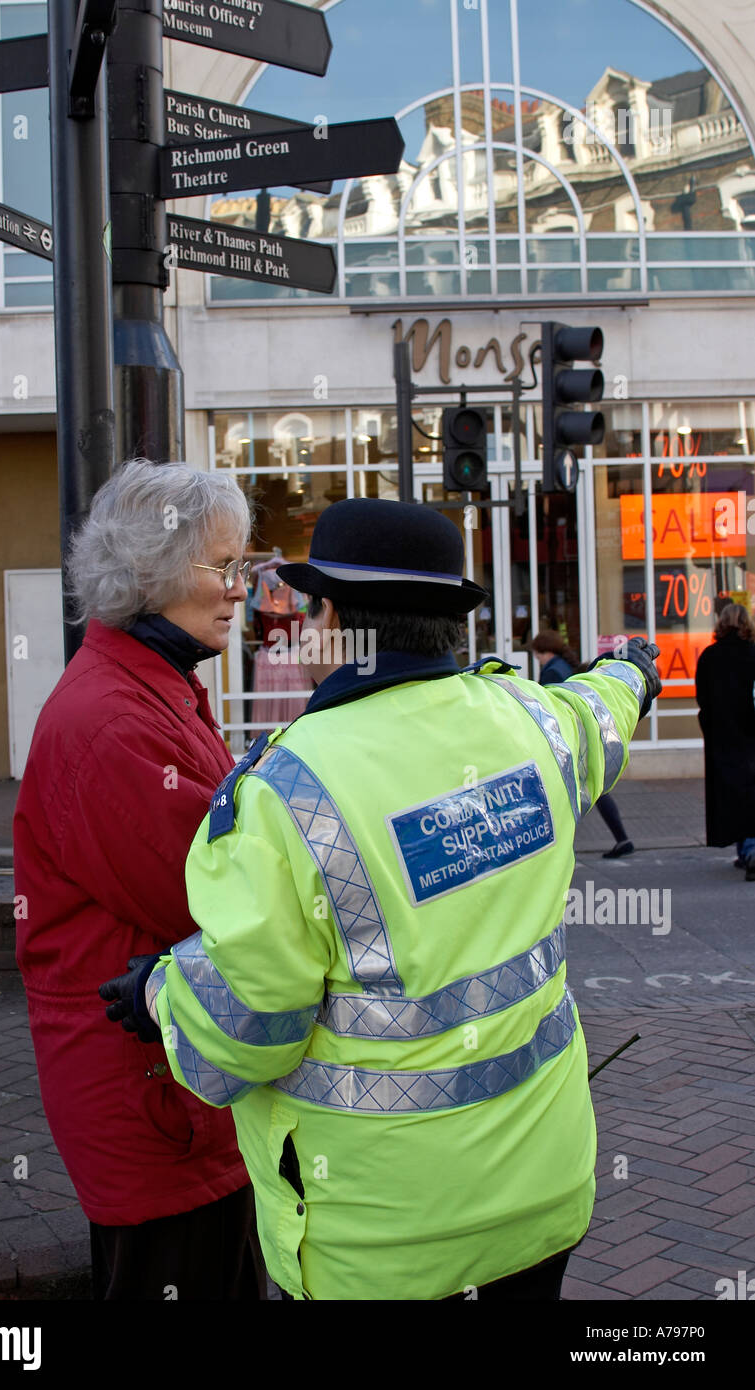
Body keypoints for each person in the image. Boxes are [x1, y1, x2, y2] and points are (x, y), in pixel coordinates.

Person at [101, 498, 661, 1301]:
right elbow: (600, 713)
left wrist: (157, 991)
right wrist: (632, 669)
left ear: (331, 617)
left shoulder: (283, 793)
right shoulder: (531, 720)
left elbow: (250, 1028)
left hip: (381, 1239)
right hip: (543, 1194)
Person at [13, 459, 266, 1301]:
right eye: (224, 567)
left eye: (242, 567)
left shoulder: (150, 687)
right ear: (152, 574)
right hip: (155, 1112)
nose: (240, 591)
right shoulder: (113, 721)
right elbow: (220, 895)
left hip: (176, 1100)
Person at [531, 630, 635, 859]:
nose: (537, 659)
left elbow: (549, 709)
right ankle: (622, 838)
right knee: (594, 789)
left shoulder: (553, 672)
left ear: (546, 652)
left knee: (582, 792)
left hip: (569, 739)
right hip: (580, 735)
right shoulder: (562, 667)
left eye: (537, 655)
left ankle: (559, 850)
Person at [695, 602, 755, 880]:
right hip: (750, 735)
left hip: (723, 738)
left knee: (732, 797)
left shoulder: (709, 656)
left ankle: (746, 849)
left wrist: (711, 727)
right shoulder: (752, 654)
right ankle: (750, 849)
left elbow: (703, 699)